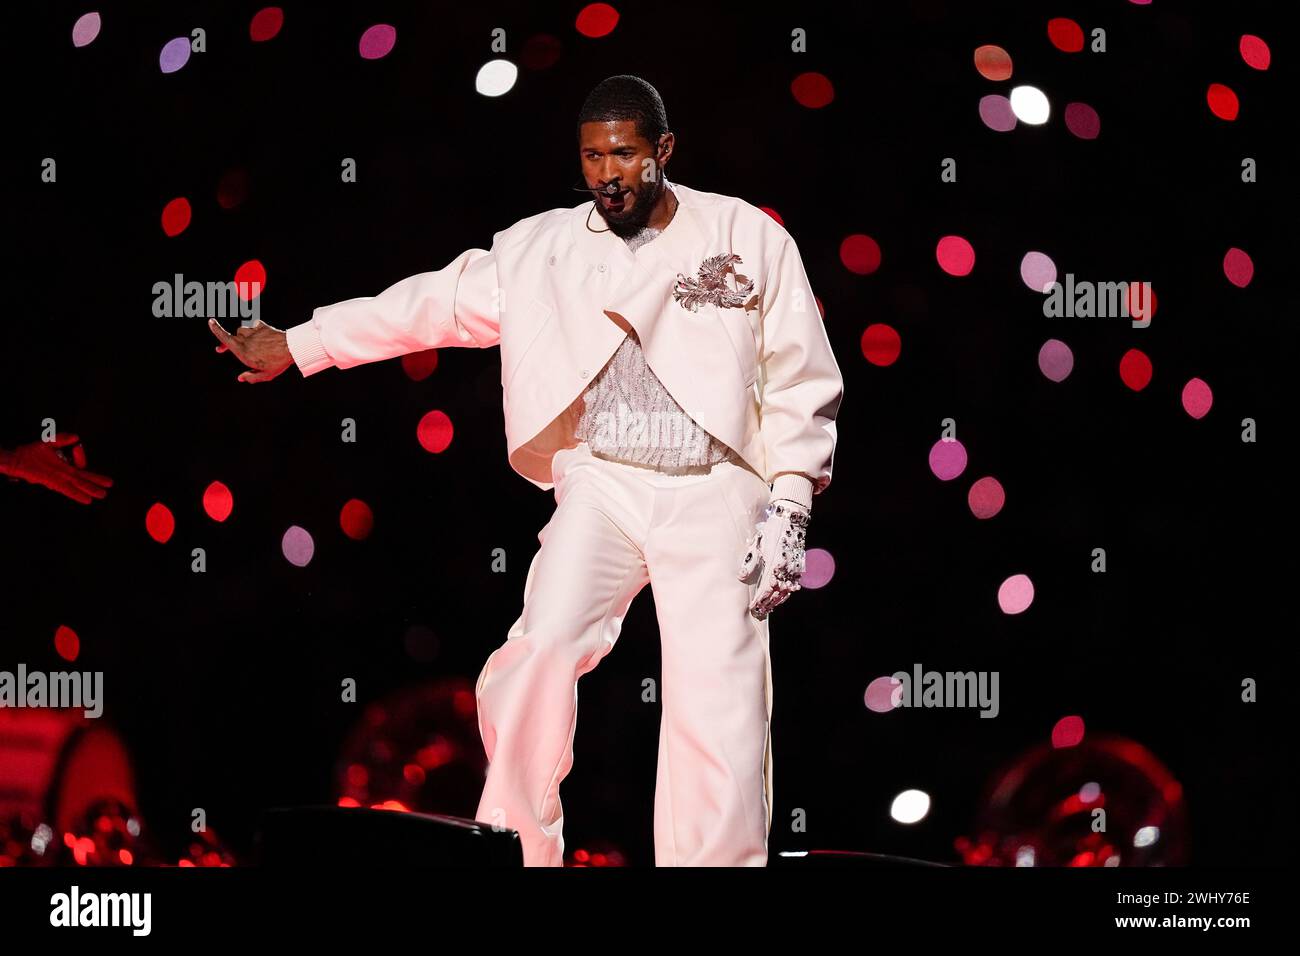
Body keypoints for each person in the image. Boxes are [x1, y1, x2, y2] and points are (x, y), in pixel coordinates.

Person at [208, 75, 843, 866]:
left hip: (714, 484)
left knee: (717, 697)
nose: (608, 173)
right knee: (538, 648)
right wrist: (305, 343)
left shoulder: (746, 235)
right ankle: (513, 854)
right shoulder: (541, 247)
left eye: (625, 154)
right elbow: (430, 304)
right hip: (605, 478)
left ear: (664, 151)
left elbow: (799, 372)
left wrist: (789, 500)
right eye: (592, 157)